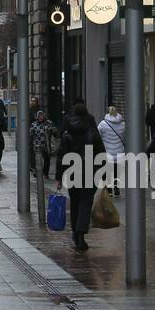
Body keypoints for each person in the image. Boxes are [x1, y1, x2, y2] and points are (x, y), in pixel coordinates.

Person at [55, 100, 105, 251]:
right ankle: (81, 235)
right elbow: (101, 154)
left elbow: (60, 156)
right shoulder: (92, 132)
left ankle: (75, 233)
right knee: (85, 203)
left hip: (72, 172)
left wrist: (58, 176)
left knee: (75, 202)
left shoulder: (67, 133)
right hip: (90, 172)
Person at [97, 105, 126, 196]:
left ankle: (109, 189)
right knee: (117, 171)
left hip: (107, 151)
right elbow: (125, 137)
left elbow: (98, 135)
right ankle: (116, 187)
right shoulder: (122, 124)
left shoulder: (103, 124)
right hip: (119, 152)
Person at [29, 110, 57, 181]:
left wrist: (52, 130)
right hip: (37, 145)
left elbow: (55, 132)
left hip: (46, 145)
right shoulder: (34, 124)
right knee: (38, 160)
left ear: (44, 116)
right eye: (39, 116)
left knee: (47, 160)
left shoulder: (49, 123)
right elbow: (30, 134)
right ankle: (37, 172)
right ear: (37, 117)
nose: (41, 117)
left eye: (42, 115)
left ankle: (45, 173)